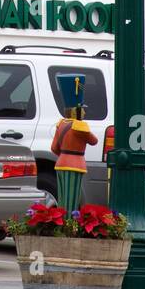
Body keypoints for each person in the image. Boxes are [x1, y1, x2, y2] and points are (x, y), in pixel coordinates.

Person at [50, 73, 98, 215]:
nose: (84, 112)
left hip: (60, 163)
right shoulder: (80, 126)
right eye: (82, 109)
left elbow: (54, 148)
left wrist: (64, 155)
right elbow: (94, 141)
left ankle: (61, 222)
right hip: (75, 165)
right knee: (72, 200)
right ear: (75, 111)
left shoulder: (61, 124)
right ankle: (69, 224)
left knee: (62, 199)